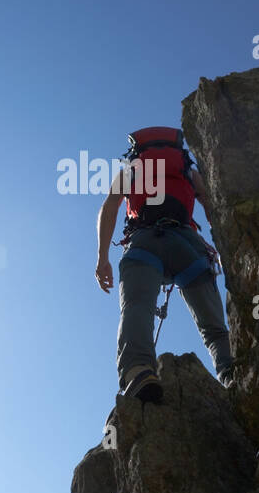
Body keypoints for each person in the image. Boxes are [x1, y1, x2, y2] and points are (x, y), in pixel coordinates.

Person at [94, 127, 235, 404]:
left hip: (144, 242)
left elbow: (110, 206)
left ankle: (138, 371)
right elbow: (210, 203)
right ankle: (230, 372)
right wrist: (229, 246)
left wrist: (102, 258)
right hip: (188, 245)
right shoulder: (187, 172)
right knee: (214, 328)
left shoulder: (131, 171)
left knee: (137, 308)